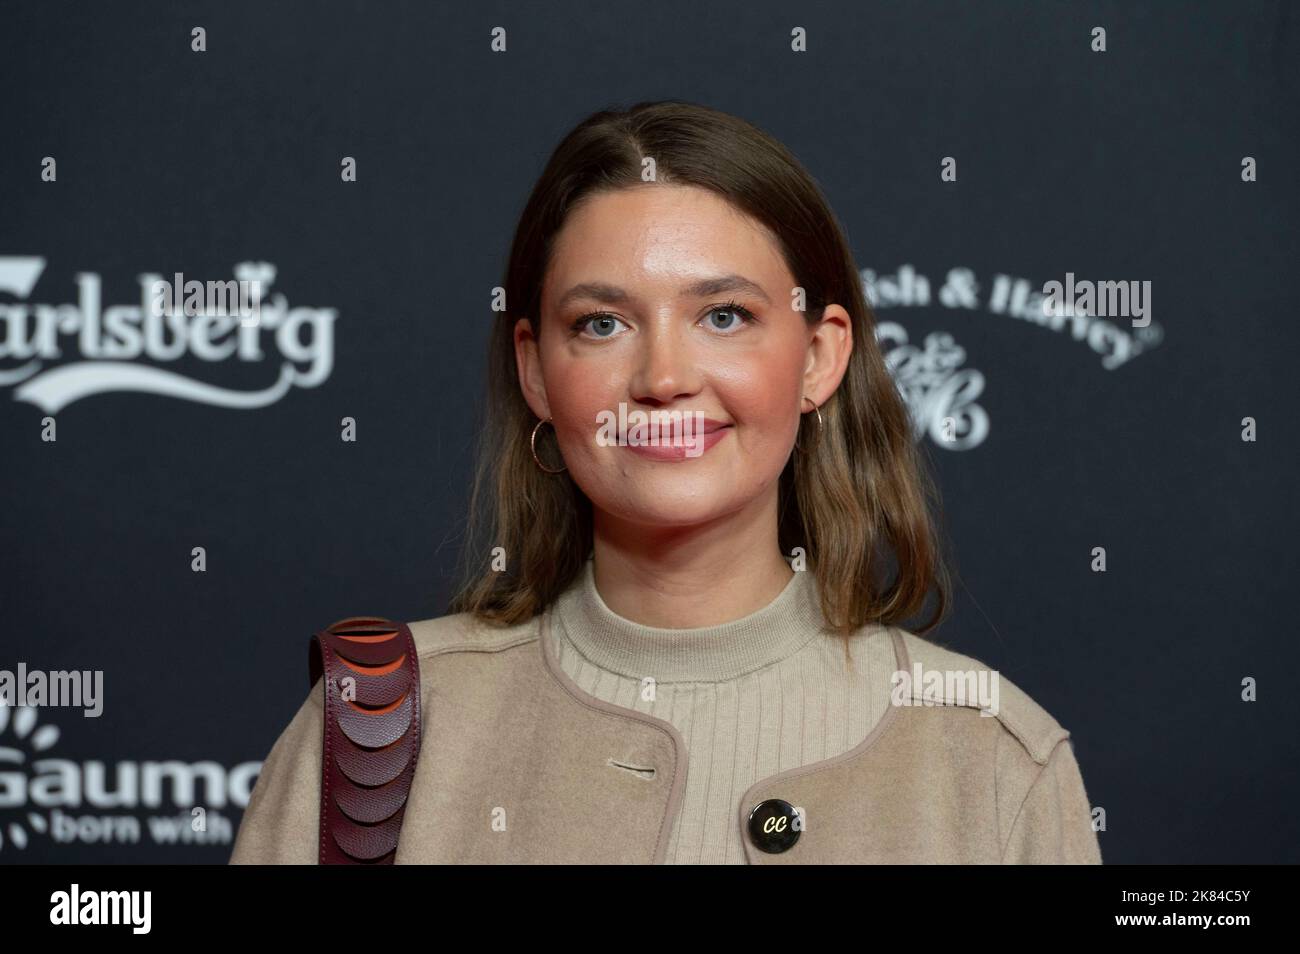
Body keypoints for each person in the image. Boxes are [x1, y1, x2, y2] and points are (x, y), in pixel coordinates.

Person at [230, 100, 1102, 865]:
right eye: (602, 323)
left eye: (724, 316)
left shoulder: (993, 760)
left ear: (820, 356)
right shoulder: (377, 729)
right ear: (536, 370)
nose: (663, 377)